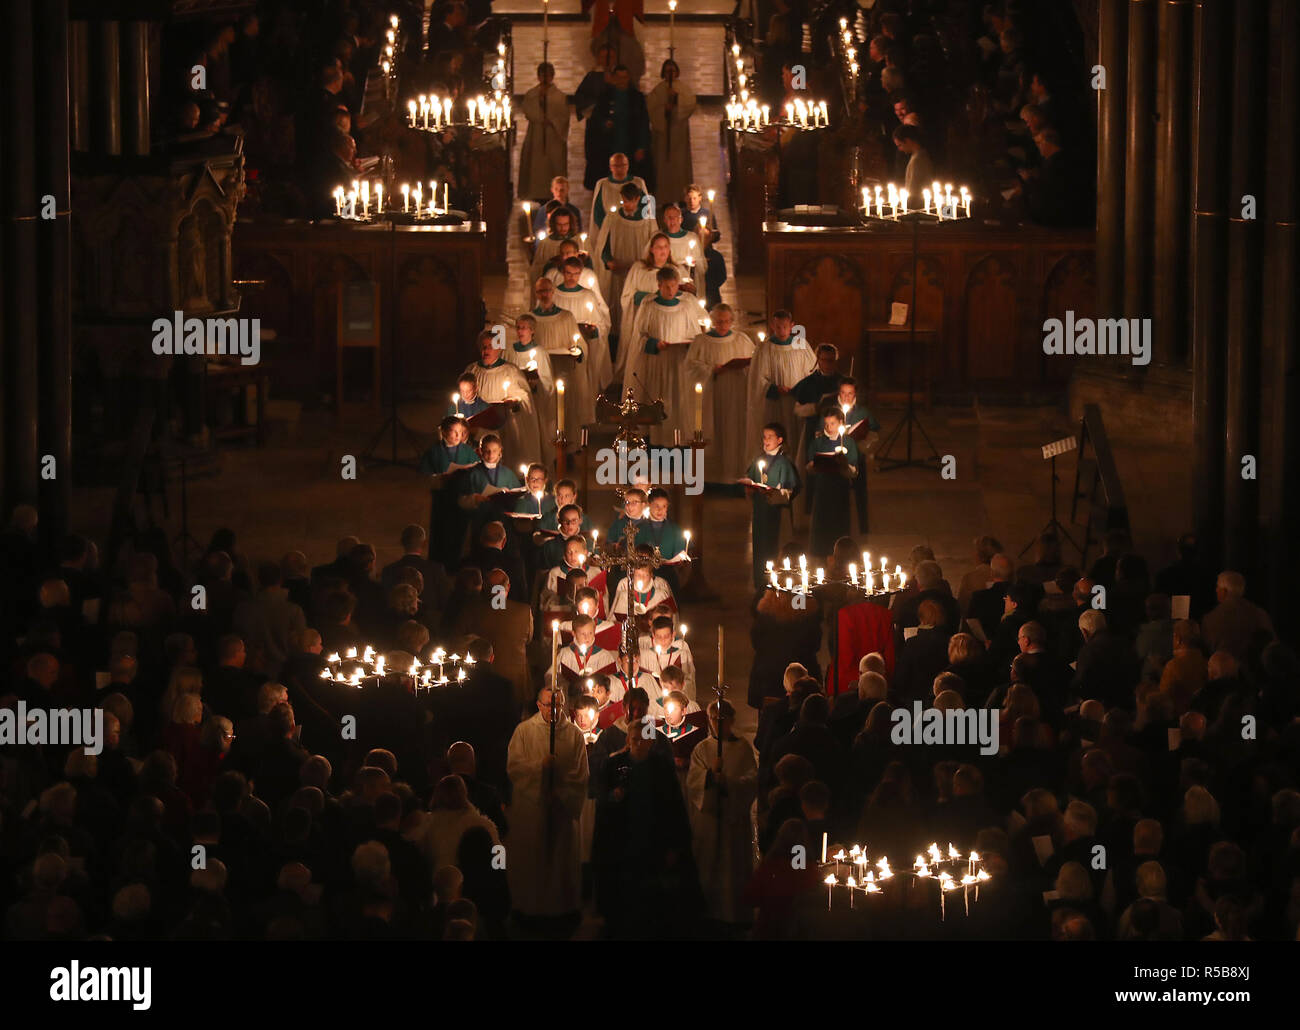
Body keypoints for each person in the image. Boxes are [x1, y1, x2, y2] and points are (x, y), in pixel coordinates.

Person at [505, 683, 589, 926]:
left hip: (561, 809)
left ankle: (562, 911)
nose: (553, 709)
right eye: (547, 704)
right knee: (533, 860)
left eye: (557, 705)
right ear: (538, 705)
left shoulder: (573, 735)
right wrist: (540, 770)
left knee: (560, 863)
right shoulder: (524, 731)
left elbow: (580, 774)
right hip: (532, 809)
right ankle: (530, 910)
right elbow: (515, 767)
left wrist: (560, 792)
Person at [687, 698, 758, 924]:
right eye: (713, 719)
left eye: (722, 719)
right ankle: (708, 913)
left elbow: (751, 781)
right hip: (709, 819)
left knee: (732, 868)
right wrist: (708, 776)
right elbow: (693, 781)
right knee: (709, 866)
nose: (717, 723)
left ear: (731, 720)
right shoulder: (702, 748)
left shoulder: (743, 748)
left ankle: (733, 915)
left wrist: (729, 783)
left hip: (732, 820)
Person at [625, 266, 704, 443]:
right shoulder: (649, 306)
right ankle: (655, 441)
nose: (670, 290)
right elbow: (639, 337)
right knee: (658, 399)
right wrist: (654, 344)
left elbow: (696, 335)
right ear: (659, 285)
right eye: (666, 286)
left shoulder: (686, 307)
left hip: (679, 363)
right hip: (657, 363)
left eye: (674, 286)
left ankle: (678, 441)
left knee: (677, 401)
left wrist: (690, 345)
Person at [686, 303, 755, 483]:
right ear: (712, 321)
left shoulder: (742, 340)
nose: (723, 325)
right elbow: (690, 367)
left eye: (726, 321)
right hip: (712, 396)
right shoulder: (701, 341)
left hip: (737, 395)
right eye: (719, 321)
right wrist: (711, 369)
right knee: (715, 432)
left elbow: (754, 364)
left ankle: (736, 477)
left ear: (732, 321)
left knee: (735, 433)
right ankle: (713, 479)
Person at [746, 310, 815, 467]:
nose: (782, 331)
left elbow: (812, 373)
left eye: (785, 327)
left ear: (792, 326)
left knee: (795, 436)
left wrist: (801, 389)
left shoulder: (801, 346)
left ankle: (795, 467)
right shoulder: (764, 348)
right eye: (778, 327)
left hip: (796, 402)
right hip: (775, 404)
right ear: (772, 326)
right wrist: (774, 389)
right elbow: (757, 379)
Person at [464, 329, 543, 465]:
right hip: (478, 425)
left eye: (490, 346)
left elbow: (525, 397)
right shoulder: (472, 370)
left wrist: (515, 401)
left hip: (505, 425)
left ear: (499, 348)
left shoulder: (510, 371)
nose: (486, 350)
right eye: (483, 346)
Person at [530, 278, 595, 433]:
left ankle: (567, 443)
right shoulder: (531, 319)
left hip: (563, 370)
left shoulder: (566, 317)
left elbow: (579, 344)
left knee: (565, 410)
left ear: (553, 292)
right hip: (542, 374)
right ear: (536, 294)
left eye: (547, 290)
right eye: (540, 291)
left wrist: (578, 352)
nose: (544, 295)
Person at [599, 185, 658, 346]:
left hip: (640, 275)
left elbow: (654, 243)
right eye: (624, 201)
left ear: (638, 199)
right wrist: (608, 261)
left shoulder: (647, 220)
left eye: (631, 201)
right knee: (617, 309)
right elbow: (603, 244)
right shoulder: (612, 218)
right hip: (618, 273)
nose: (627, 205)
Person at [743, 423, 798, 589]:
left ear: (780, 440)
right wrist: (750, 488)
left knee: (775, 547)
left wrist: (775, 493)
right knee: (760, 546)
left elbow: (789, 490)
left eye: (770, 437)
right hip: (760, 512)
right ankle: (759, 582)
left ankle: (775, 583)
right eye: (764, 437)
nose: (766, 440)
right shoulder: (759, 459)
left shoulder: (784, 462)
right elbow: (750, 479)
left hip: (776, 512)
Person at [583, 65, 652, 193]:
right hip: (610, 145)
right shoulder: (605, 97)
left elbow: (643, 123)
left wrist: (641, 146)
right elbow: (596, 119)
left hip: (630, 144)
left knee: (631, 181)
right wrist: (605, 123)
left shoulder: (637, 98)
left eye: (624, 77)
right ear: (614, 78)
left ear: (628, 78)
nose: (621, 81)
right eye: (619, 77)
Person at [422, 416, 479, 568]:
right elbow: (426, 475)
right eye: (454, 431)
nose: (458, 435)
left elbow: (477, 470)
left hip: (461, 496)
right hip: (442, 497)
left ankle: (455, 562)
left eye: (460, 432)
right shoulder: (434, 451)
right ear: (444, 432)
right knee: (440, 531)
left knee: (458, 531)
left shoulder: (468, 451)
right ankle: (437, 563)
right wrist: (439, 478)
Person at [552, 256, 613, 392]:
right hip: (560, 344)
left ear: (580, 273)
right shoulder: (555, 294)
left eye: (576, 274)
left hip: (583, 345)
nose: (572, 277)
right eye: (569, 273)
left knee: (581, 383)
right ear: (563, 273)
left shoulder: (588, 295)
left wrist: (593, 330)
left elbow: (600, 324)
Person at [806, 407, 859, 561]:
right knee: (822, 525)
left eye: (833, 423)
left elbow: (854, 472)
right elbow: (809, 467)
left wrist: (844, 465)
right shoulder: (818, 442)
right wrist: (814, 465)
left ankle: (841, 554)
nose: (829, 427)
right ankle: (821, 555)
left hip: (840, 489)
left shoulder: (848, 442)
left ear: (841, 423)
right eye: (826, 424)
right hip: (822, 489)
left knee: (839, 524)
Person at [646, 60, 696, 209]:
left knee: (680, 167)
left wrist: (677, 100)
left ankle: (682, 197)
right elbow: (651, 108)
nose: (670, 74)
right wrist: (664, 109)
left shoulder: (683, 89)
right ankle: (666, 198)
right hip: (663, 136)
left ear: (677, 72)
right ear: (663, 73)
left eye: (672, 71)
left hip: (678, 135)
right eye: (667, 71)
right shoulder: (658, 90)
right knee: (664, 166)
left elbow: (690, 104)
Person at [518, 63, 570, 202]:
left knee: (553, 166)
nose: (545, 78)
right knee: (536, 169)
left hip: (553, 137)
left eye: (548, 75)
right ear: (538, 76)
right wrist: (540, 116)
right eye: (542, 75)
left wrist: (552, 120)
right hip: (536, 135)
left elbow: (564, 116)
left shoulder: (560, 96)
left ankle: (556, 194)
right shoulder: (532, 94)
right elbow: (528, 110)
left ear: (552, 76)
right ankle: (535, 194)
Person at [893, 124, 934, 197]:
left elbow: (913, 188)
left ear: (908, 141)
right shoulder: (919, 156)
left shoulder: (918, 160)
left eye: (900, 145)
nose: (900, 149)